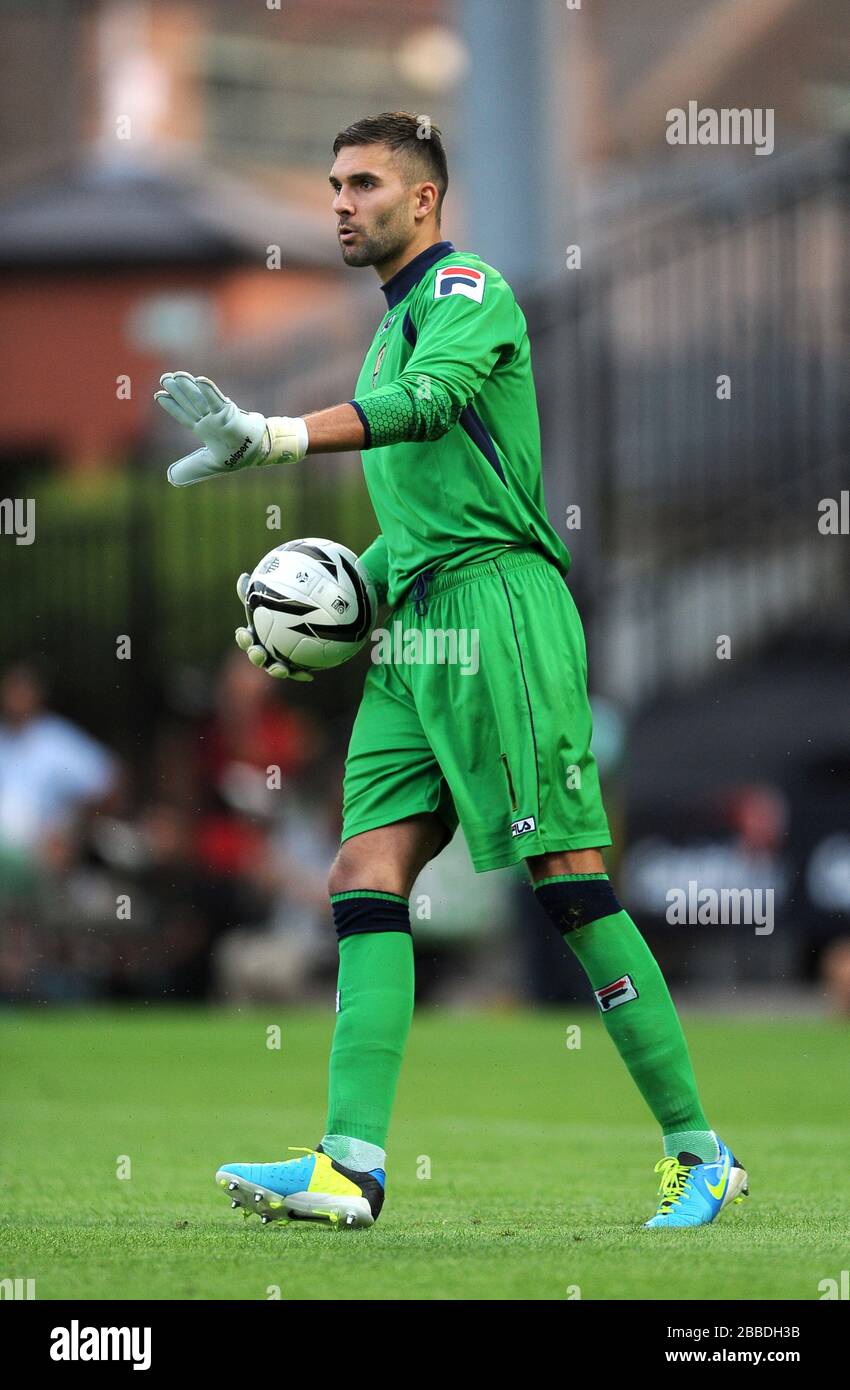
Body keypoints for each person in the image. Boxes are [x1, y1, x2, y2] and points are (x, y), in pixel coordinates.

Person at [155, 111, 748, 1231]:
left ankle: (698, 1152)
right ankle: (349, 1163)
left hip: (498, 613)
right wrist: (320, 603)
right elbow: (414, 512)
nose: (339, 201)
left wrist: (275, 436)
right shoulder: (378, 337)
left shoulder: (469, 294)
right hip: (414, 628)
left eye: (363, 183)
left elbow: (429, 410)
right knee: (361, 869)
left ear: (421, 200)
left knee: (568, 881)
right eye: (331, 182)